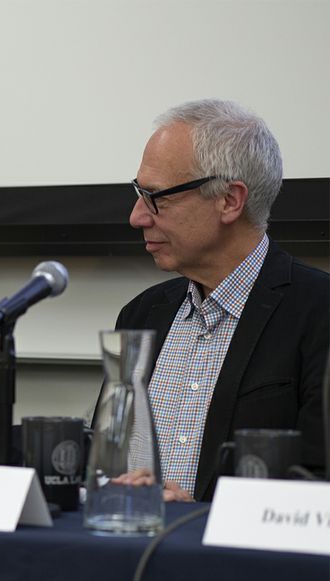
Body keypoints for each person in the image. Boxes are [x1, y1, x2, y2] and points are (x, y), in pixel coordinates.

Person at [115, 99, 328, 502]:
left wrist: (199, 517)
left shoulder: (319, 313)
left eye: (156, 197)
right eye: (138, 193)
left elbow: (319, 487)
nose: (137, 216)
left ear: (229, 200)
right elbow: (112, 461)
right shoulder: (141, 314)